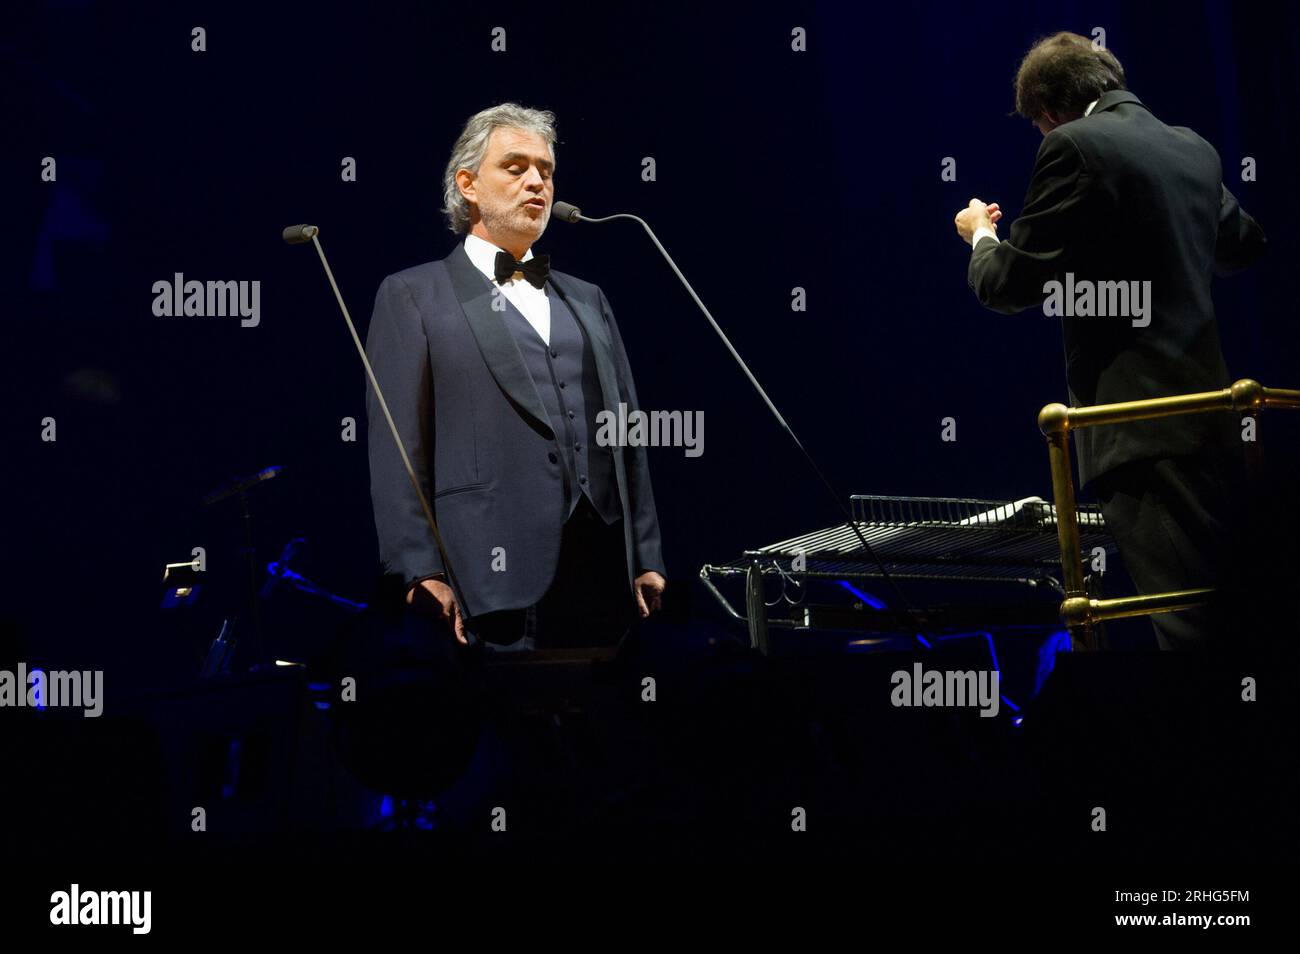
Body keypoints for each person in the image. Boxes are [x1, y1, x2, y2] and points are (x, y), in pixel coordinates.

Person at [953, 32, 1267, 650]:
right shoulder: (1190, 146)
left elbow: (1012, 286)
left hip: (1139, 425)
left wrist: (981, 238)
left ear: (1047, 113)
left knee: (1187, 626)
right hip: (1220, 416)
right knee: (1237, 617)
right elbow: (1244, 246)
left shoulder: (1073, 145)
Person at [365, 102, 667, 653]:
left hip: (602, 569)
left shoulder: (587, 298)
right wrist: (417, 568)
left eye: (546, 171)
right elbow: (397, 448)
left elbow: (627, 432)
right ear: (469, 185)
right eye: (516, 166)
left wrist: (646, 553)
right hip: (487, 572)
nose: (537, 182)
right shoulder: (413, 295)